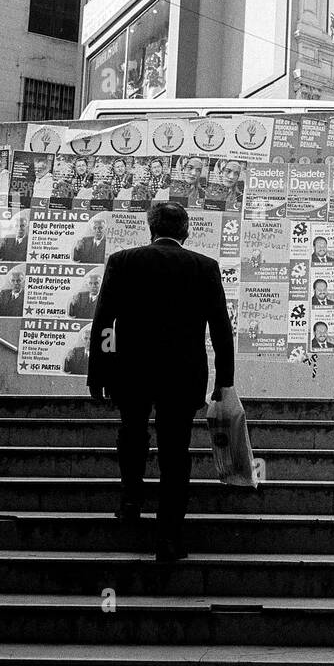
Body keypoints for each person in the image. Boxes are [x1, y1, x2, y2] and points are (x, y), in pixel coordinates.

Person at [88, 202, 234, 559]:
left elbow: (105, 320)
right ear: (185, 232)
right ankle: (168, 536)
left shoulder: (123, 262)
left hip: (132, 369)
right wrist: (224, 380)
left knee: (132, 432)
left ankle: (131, 499)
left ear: (150, 229)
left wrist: (100, 370)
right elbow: (220, 328)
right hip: (182, 374)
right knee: (175, 451)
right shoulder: (205, 267)